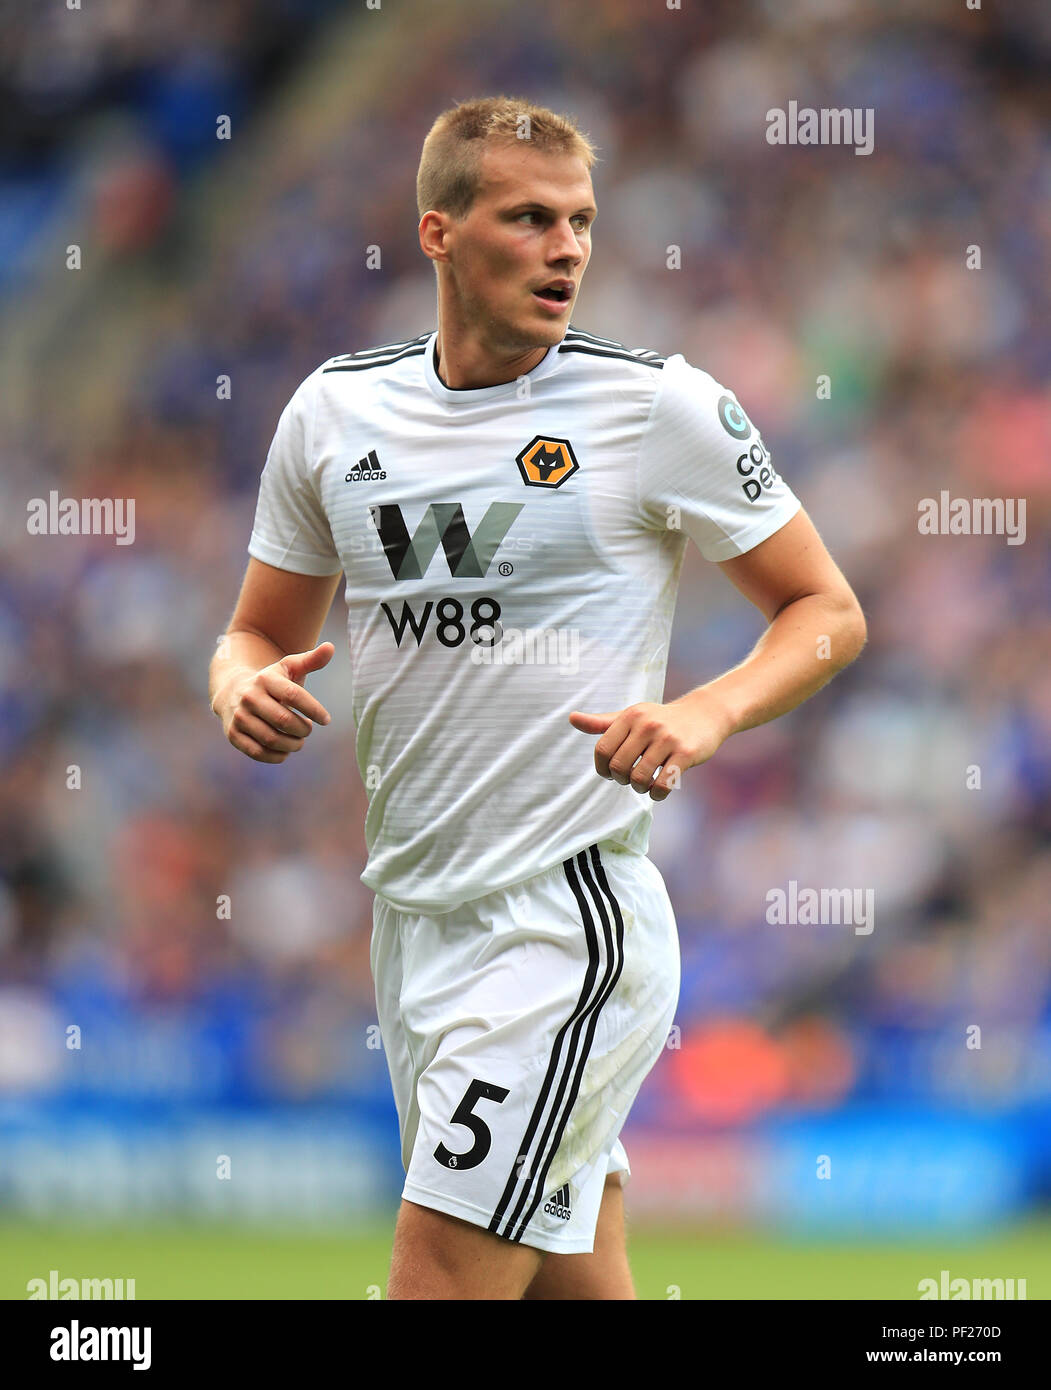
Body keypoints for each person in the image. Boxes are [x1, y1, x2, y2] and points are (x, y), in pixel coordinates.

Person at [208, 95, 866, 1300]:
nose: (566, 247)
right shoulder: (335, 413)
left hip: (561, 923)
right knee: (573, 1285)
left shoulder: (653, 405)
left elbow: (826, 610)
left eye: (580, 222)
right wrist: (239, 682)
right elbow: (256, 628)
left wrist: (701, 714)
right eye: (528, 218)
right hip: (413, 925)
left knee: (439, 1280)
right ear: (439, 233)